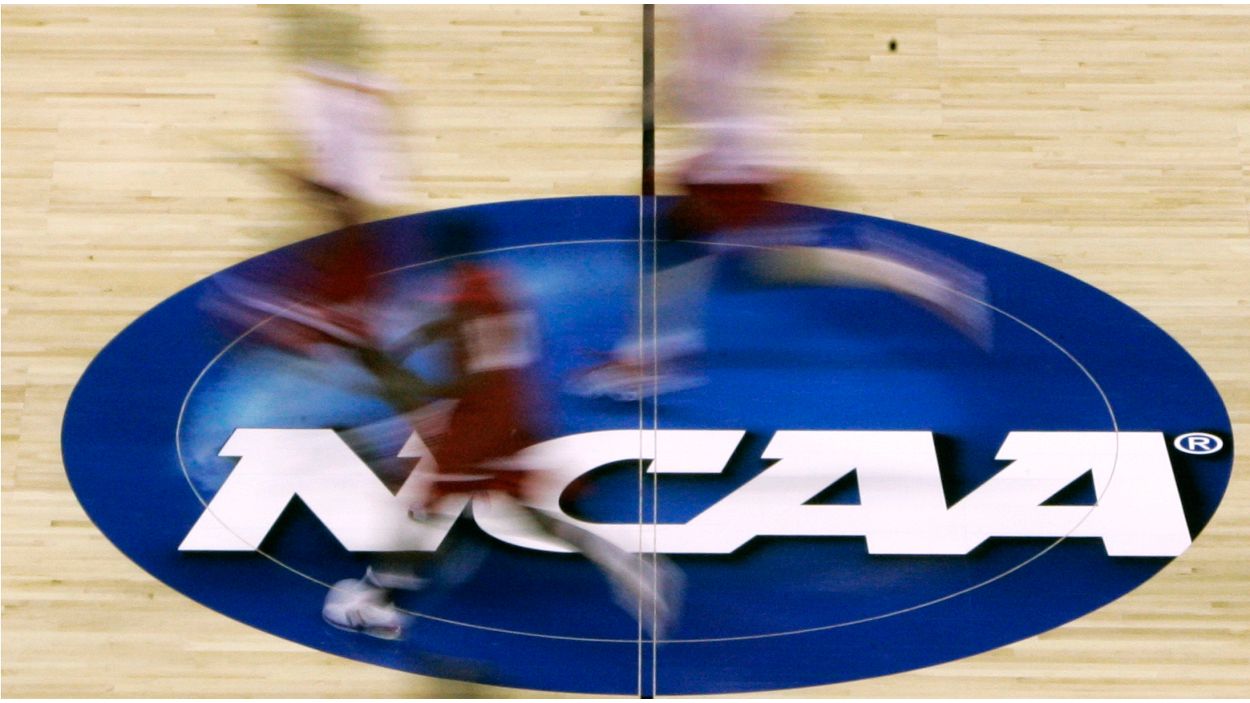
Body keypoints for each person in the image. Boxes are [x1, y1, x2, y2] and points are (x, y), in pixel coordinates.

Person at [569, 8, 990, 401]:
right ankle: (935, 287)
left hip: (739, 155)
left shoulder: (719, 12)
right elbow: (713, 73)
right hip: (743, 146)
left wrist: (678, 130)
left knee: (673, 241)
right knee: (760, 264)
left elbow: (707, 77)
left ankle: (652, 359)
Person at [323, 217, 679, 641]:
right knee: (522, 506)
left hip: (477, 418)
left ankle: (376, 600)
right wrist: (417, 344)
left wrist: (412, 384)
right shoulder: (498, 285)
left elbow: (463, 374)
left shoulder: (450, 297)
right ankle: (626, 562)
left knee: (423, 502)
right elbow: (480, 339)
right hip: (515, 410)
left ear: (438, 254)